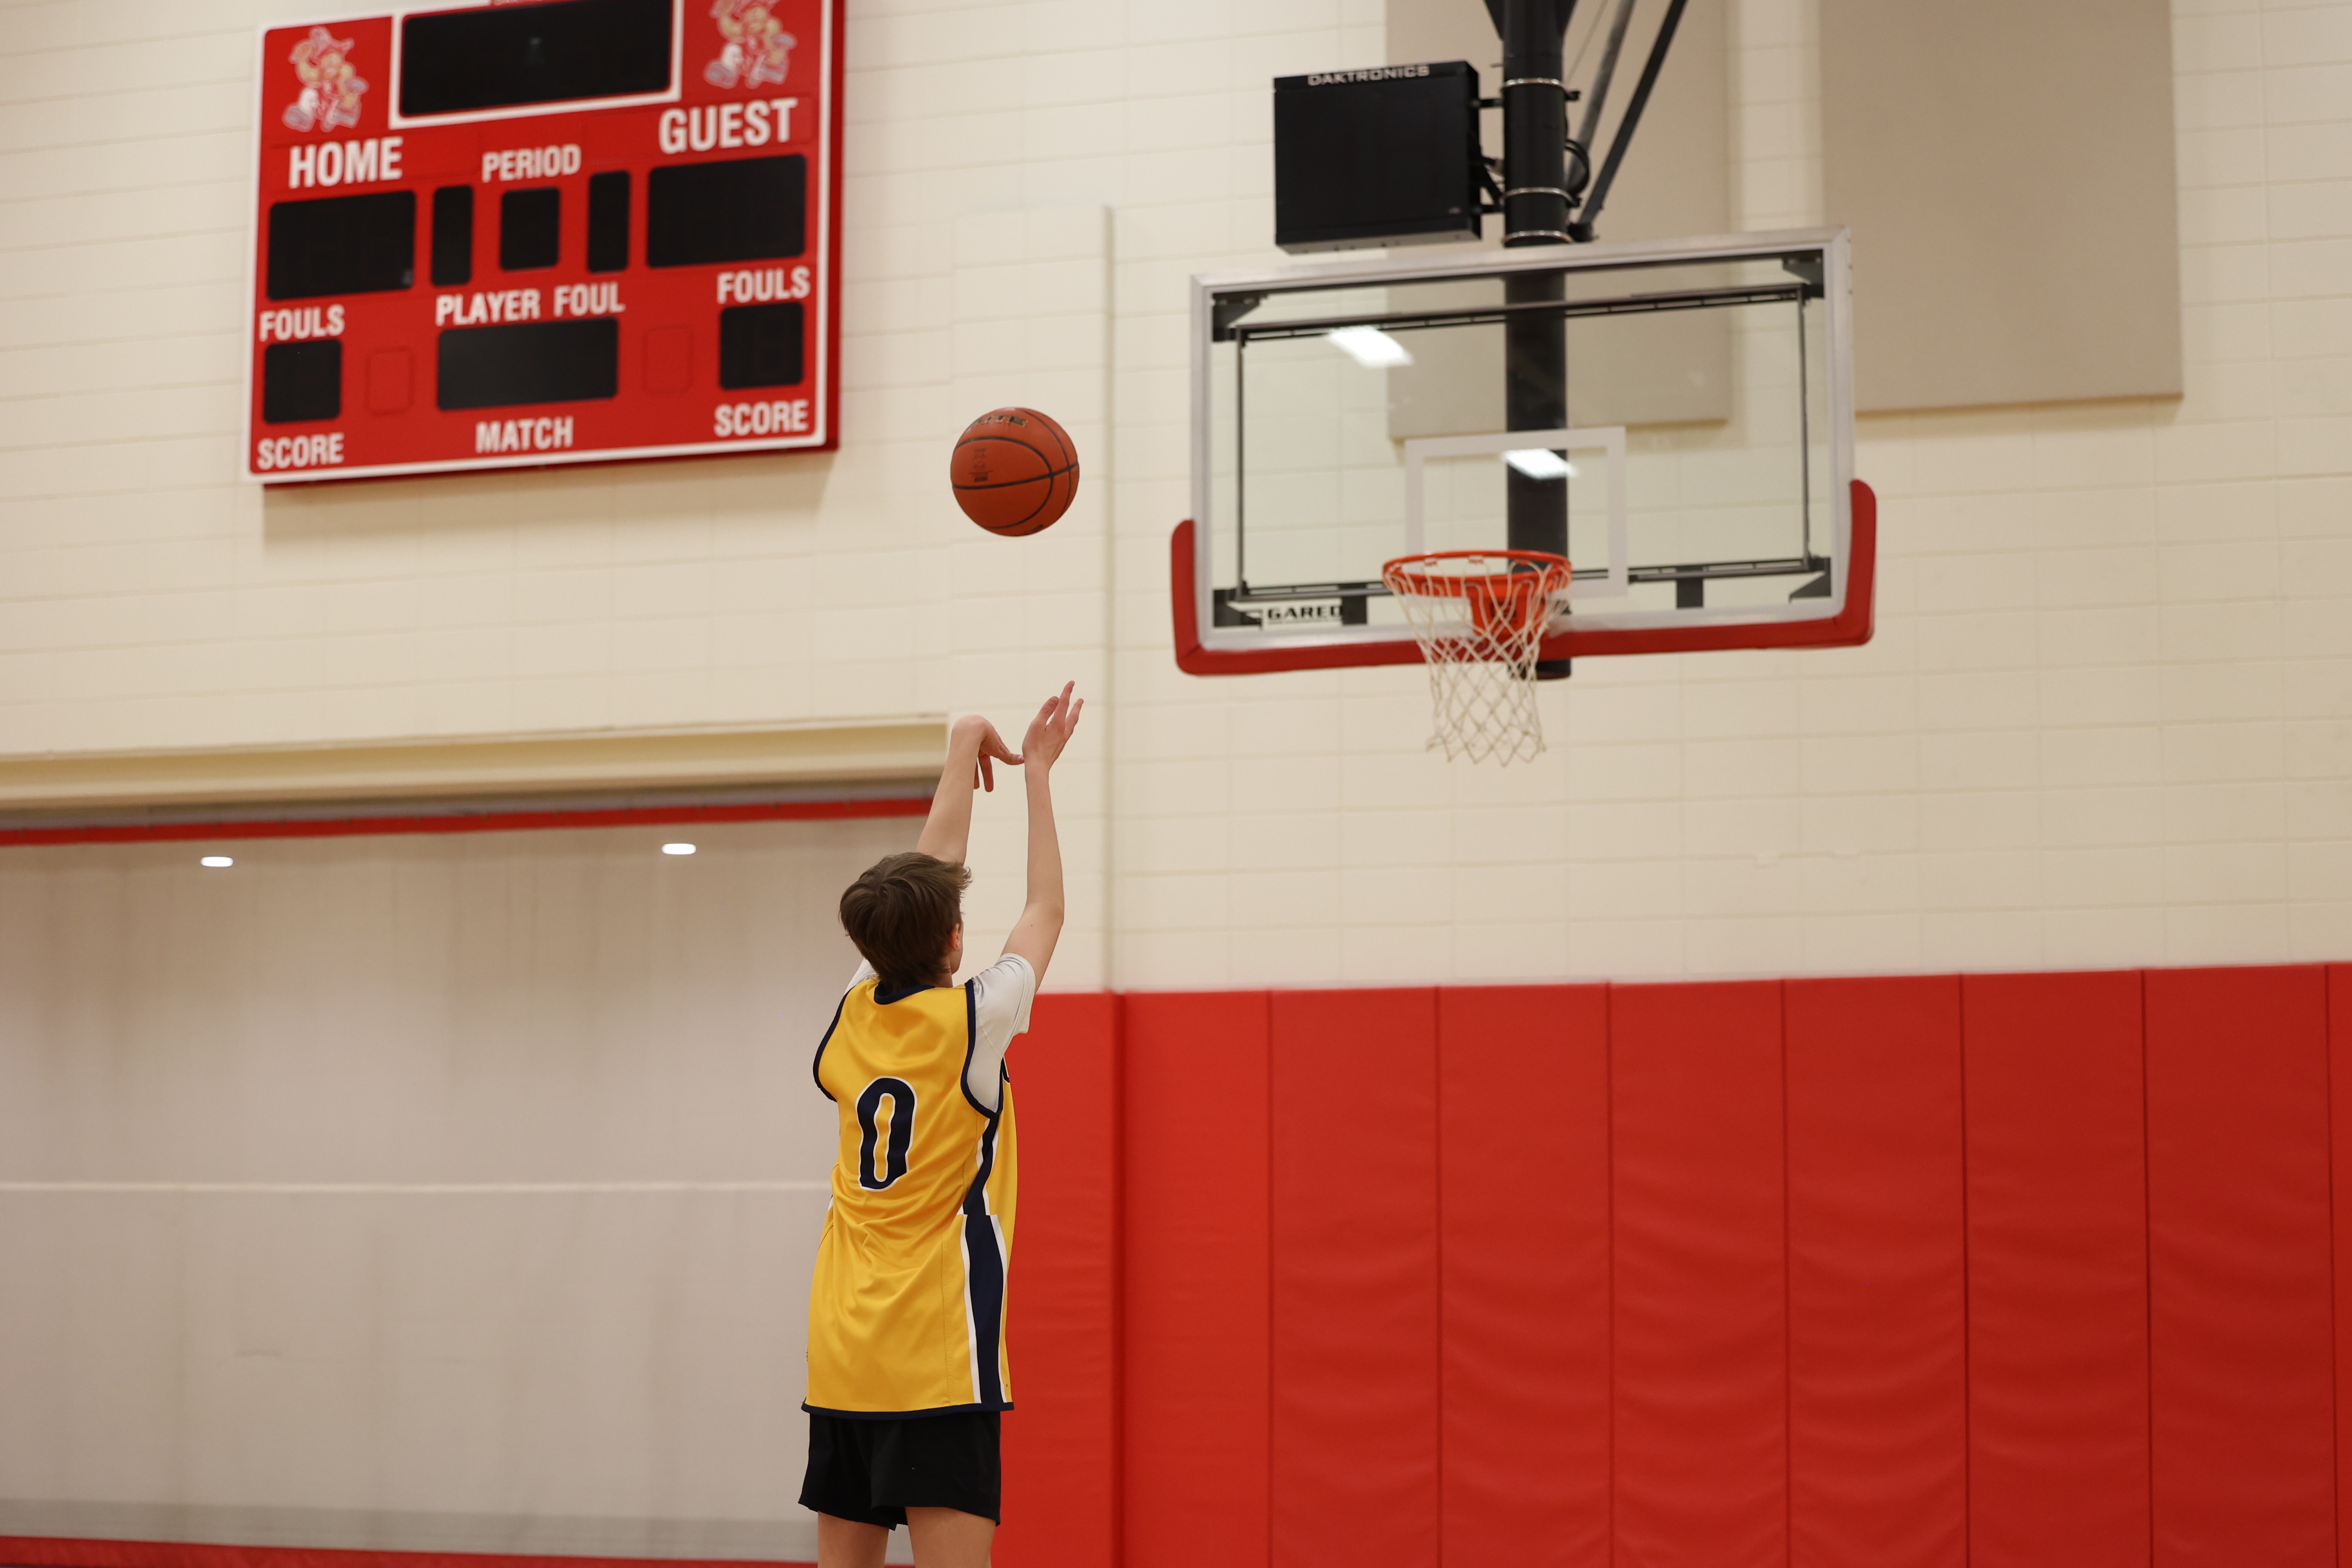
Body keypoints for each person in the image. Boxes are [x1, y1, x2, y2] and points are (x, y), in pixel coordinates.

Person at [799, 683, 1084, 1568]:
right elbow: (1045, 912)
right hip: (937, 1357)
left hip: (842, 1353)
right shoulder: (974, 1021)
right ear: (955, 941)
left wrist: (962, 746)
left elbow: (926, 880)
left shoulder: (851, 1015)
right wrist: (1036, 774)